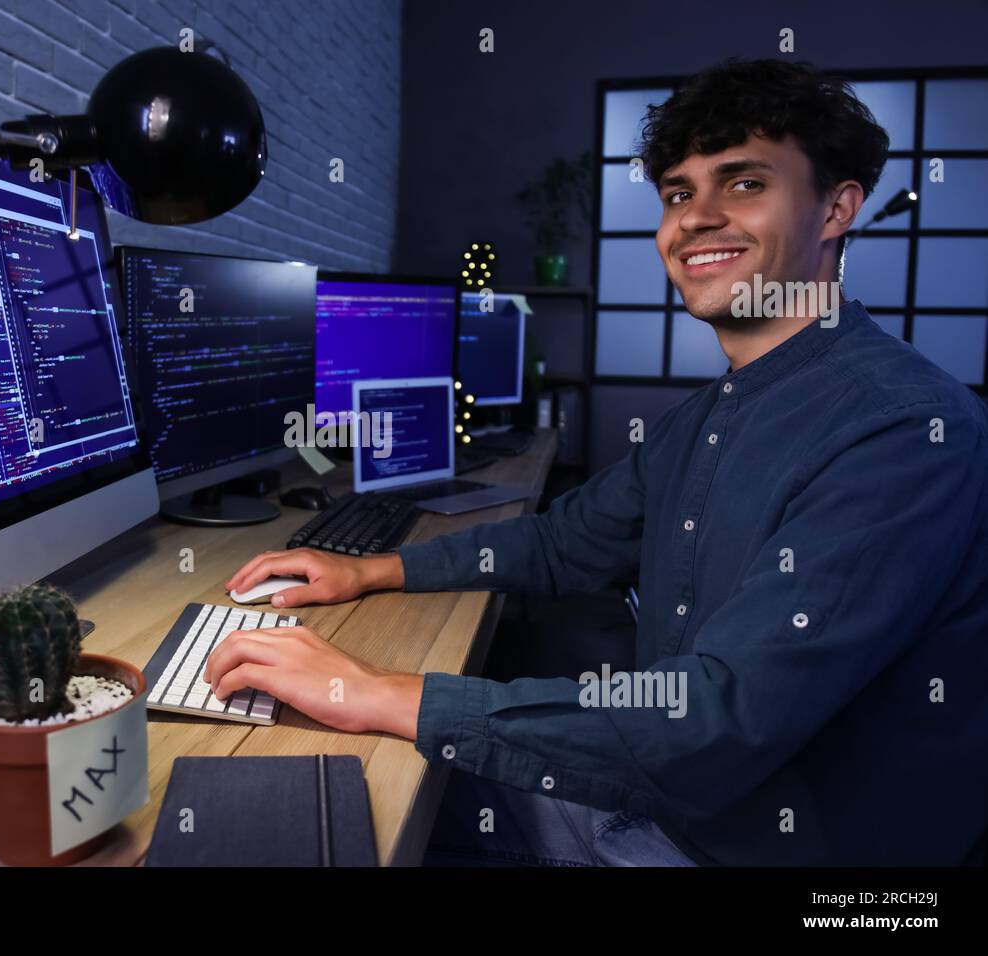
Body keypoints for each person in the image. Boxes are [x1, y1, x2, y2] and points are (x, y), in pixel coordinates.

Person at [205, 58, 988, 866]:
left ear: (837, 207)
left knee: (328, 816)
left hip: (748, 850)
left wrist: (373, 689)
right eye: (680, 194)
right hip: (657, 802)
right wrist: (372, 572)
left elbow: (719, 719)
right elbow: (559, 542)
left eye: (744, 183)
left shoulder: (904, 432)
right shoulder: (713, 413)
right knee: (291, 804)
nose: (697, 218)